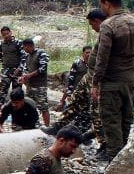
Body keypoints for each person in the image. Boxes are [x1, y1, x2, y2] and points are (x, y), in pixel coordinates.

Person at [91, 0, 134, 162]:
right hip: (128, 80)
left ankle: (115, 162)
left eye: (101, 4)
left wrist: (95, 83)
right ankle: (126, 159)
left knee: (111, 122)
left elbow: (102, 57)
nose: (101, 8)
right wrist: (131, 72)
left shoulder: (108, 25)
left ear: (107, 3)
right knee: (126, 120)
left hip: (111, 81)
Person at [42, 10, 105, 144]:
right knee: (74, 103)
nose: (92, 28)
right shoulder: (78, 63)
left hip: (97, 78)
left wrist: (96, 83)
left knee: (95, 111)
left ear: (97, 21)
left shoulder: (108, 32)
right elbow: (70, 81)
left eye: (92, 24)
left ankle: (102, 144)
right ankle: (57, 126)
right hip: (88, 78)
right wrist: (64, 97)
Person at [19, 38, 51, 126]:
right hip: (30, 85)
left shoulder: (41, 53)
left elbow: (43, 68)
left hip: (40, 86)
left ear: (29, 46)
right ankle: (32, 124)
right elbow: (26, 70)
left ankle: (47, 127)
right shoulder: (28, 56)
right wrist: (24, 77)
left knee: (43, 107)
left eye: (25, 48)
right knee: (29, 106)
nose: (24, 50)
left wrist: (29, 75)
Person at [0, 26, 24, 107]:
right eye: (4, 34)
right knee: (2, 91)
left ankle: (17, 111)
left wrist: (19, 68)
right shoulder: (1, 44)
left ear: (10, 33)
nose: (6, 36)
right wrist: (5, 63)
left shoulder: (18, 42)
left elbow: (24, 56)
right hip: (6, 70)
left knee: (17, 92)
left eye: (7, 33)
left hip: (17, 71)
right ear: (2, 35)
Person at [58, 46, 91, 111]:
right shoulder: (77, 63)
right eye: (87, 52)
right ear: (83, 53)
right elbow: (70, 80)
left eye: (90, 52)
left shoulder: (95, 64)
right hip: (76, 92)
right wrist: (62, 100)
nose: (88, 54)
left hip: (89, 93)